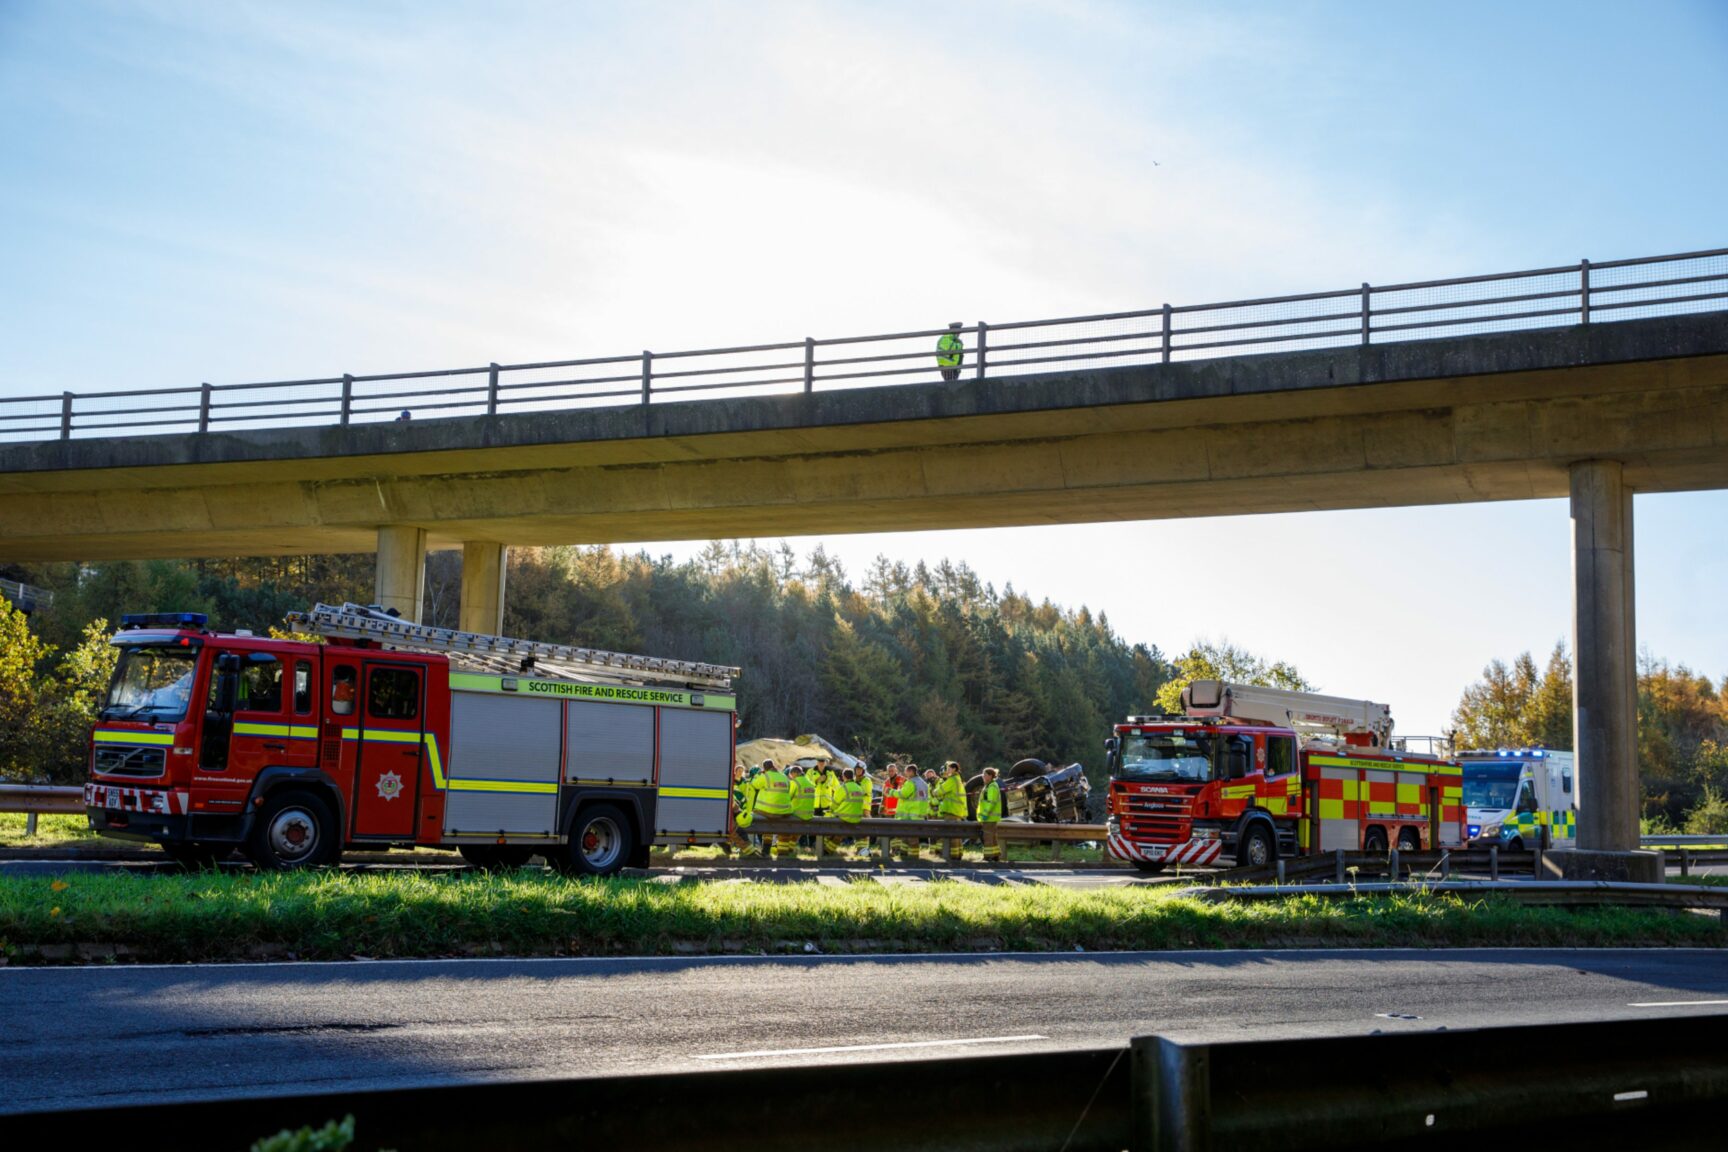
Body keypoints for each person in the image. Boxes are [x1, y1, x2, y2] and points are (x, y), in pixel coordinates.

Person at [744, 759, 795, 857]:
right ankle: (783, 853)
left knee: (766, 825)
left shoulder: (765, 776)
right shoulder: (784, 776)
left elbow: (754, 784)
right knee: (782, 830)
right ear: (773, 766)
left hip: (768, 811)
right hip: (784, 811)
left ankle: (765, 851)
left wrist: (758, 775)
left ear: (764, 768)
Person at [894, 763, 930, 857]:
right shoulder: (924, 784)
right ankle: (905, 854)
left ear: (911, 772)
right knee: (910, 836)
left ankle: (912, 857)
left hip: (910, 814)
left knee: (910, 837)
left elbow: (903, 794)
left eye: (906, 771)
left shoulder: (911, 782)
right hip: (920, 815)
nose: (905, 774)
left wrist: (891, 792)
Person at [934, 760, 969, 856]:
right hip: (956, 810)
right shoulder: (957, 779)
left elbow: (940, 791)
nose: (947, 770)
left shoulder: (952, 780)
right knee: (956, 834)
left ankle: (953, 855)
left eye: (949, 768)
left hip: (951, 810)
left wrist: (935, 791)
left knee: (951, 834)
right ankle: (958, 854)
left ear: (954, 769)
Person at [977, 766, 1004, 861]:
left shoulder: (992, 786)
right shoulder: (990, 785)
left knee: (987, 837)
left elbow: (990, 802)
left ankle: (988, 857)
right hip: (991, 817)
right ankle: (996, 855)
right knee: (992, 837)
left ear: (990, 776)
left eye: (985, 775)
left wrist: (985, 814)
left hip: (989, 817)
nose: (983, 776)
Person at [789, 764, 817, 851]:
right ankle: (790, 849)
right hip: (809, 815)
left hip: (796, 814)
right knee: (796, 834)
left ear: (794, 773)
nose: (791, 777)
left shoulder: (795, 782)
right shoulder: (810, 783)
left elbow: (788, 797)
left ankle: (786, 849)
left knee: (784, 831)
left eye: (791, 775)